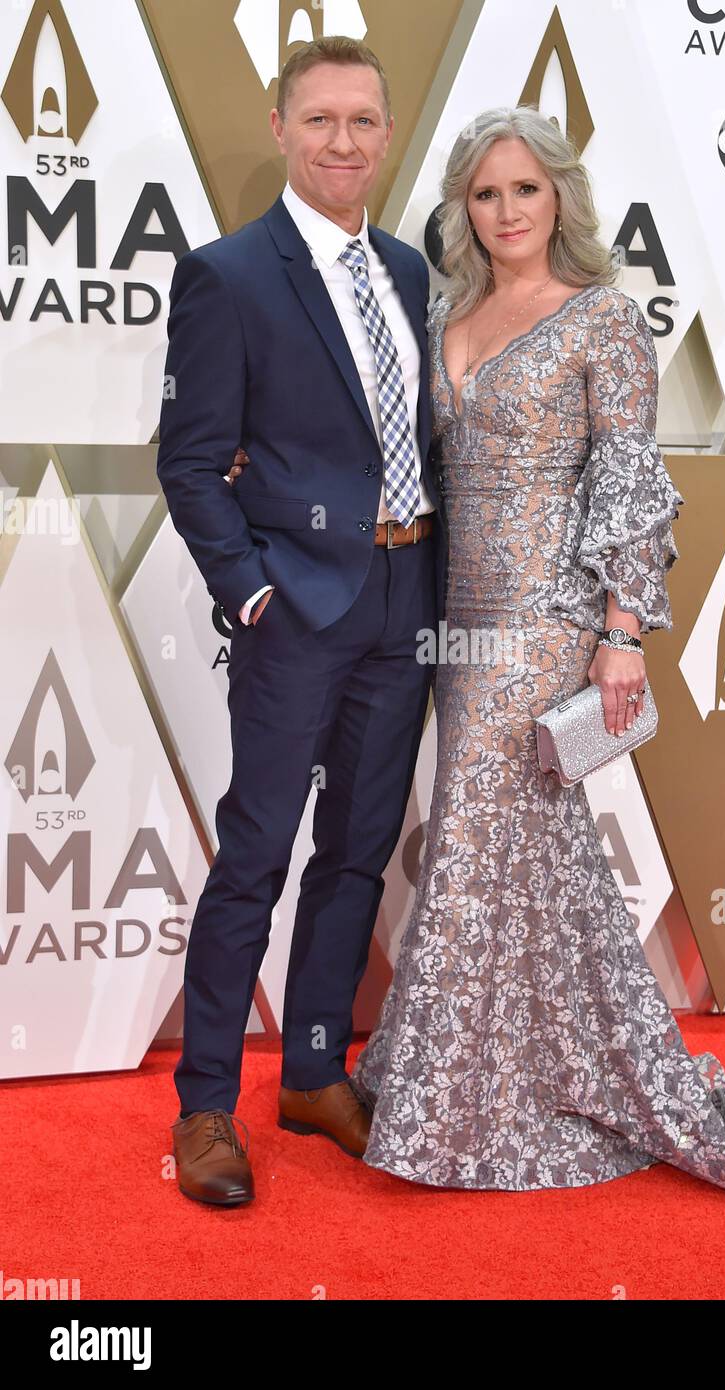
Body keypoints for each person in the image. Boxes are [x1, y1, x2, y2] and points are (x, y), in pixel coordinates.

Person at [345, 107, 725, 1203]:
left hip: (548, 614)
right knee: (521, 844)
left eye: (525, 190)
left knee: (473, 832)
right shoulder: (445, 311)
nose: (507, 210)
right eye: (485, 193)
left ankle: (454, 1102)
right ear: (460, 208)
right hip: (454, 611)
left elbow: (625, 478)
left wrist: (621, 633)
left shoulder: (604, 320)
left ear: (560, 197)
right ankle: (544, 1060)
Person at [156, 36, 445, 1206]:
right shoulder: (228, 274)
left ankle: (317, 1067)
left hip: (404, 598)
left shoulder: (412, 271)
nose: (342, 141)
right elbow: (186, 464)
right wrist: (253, 591)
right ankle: (207, 1106)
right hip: (295, 612)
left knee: (359, 855)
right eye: (319, 120)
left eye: (362, 122)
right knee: (258, 856)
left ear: (386, 134)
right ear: (281, 129)